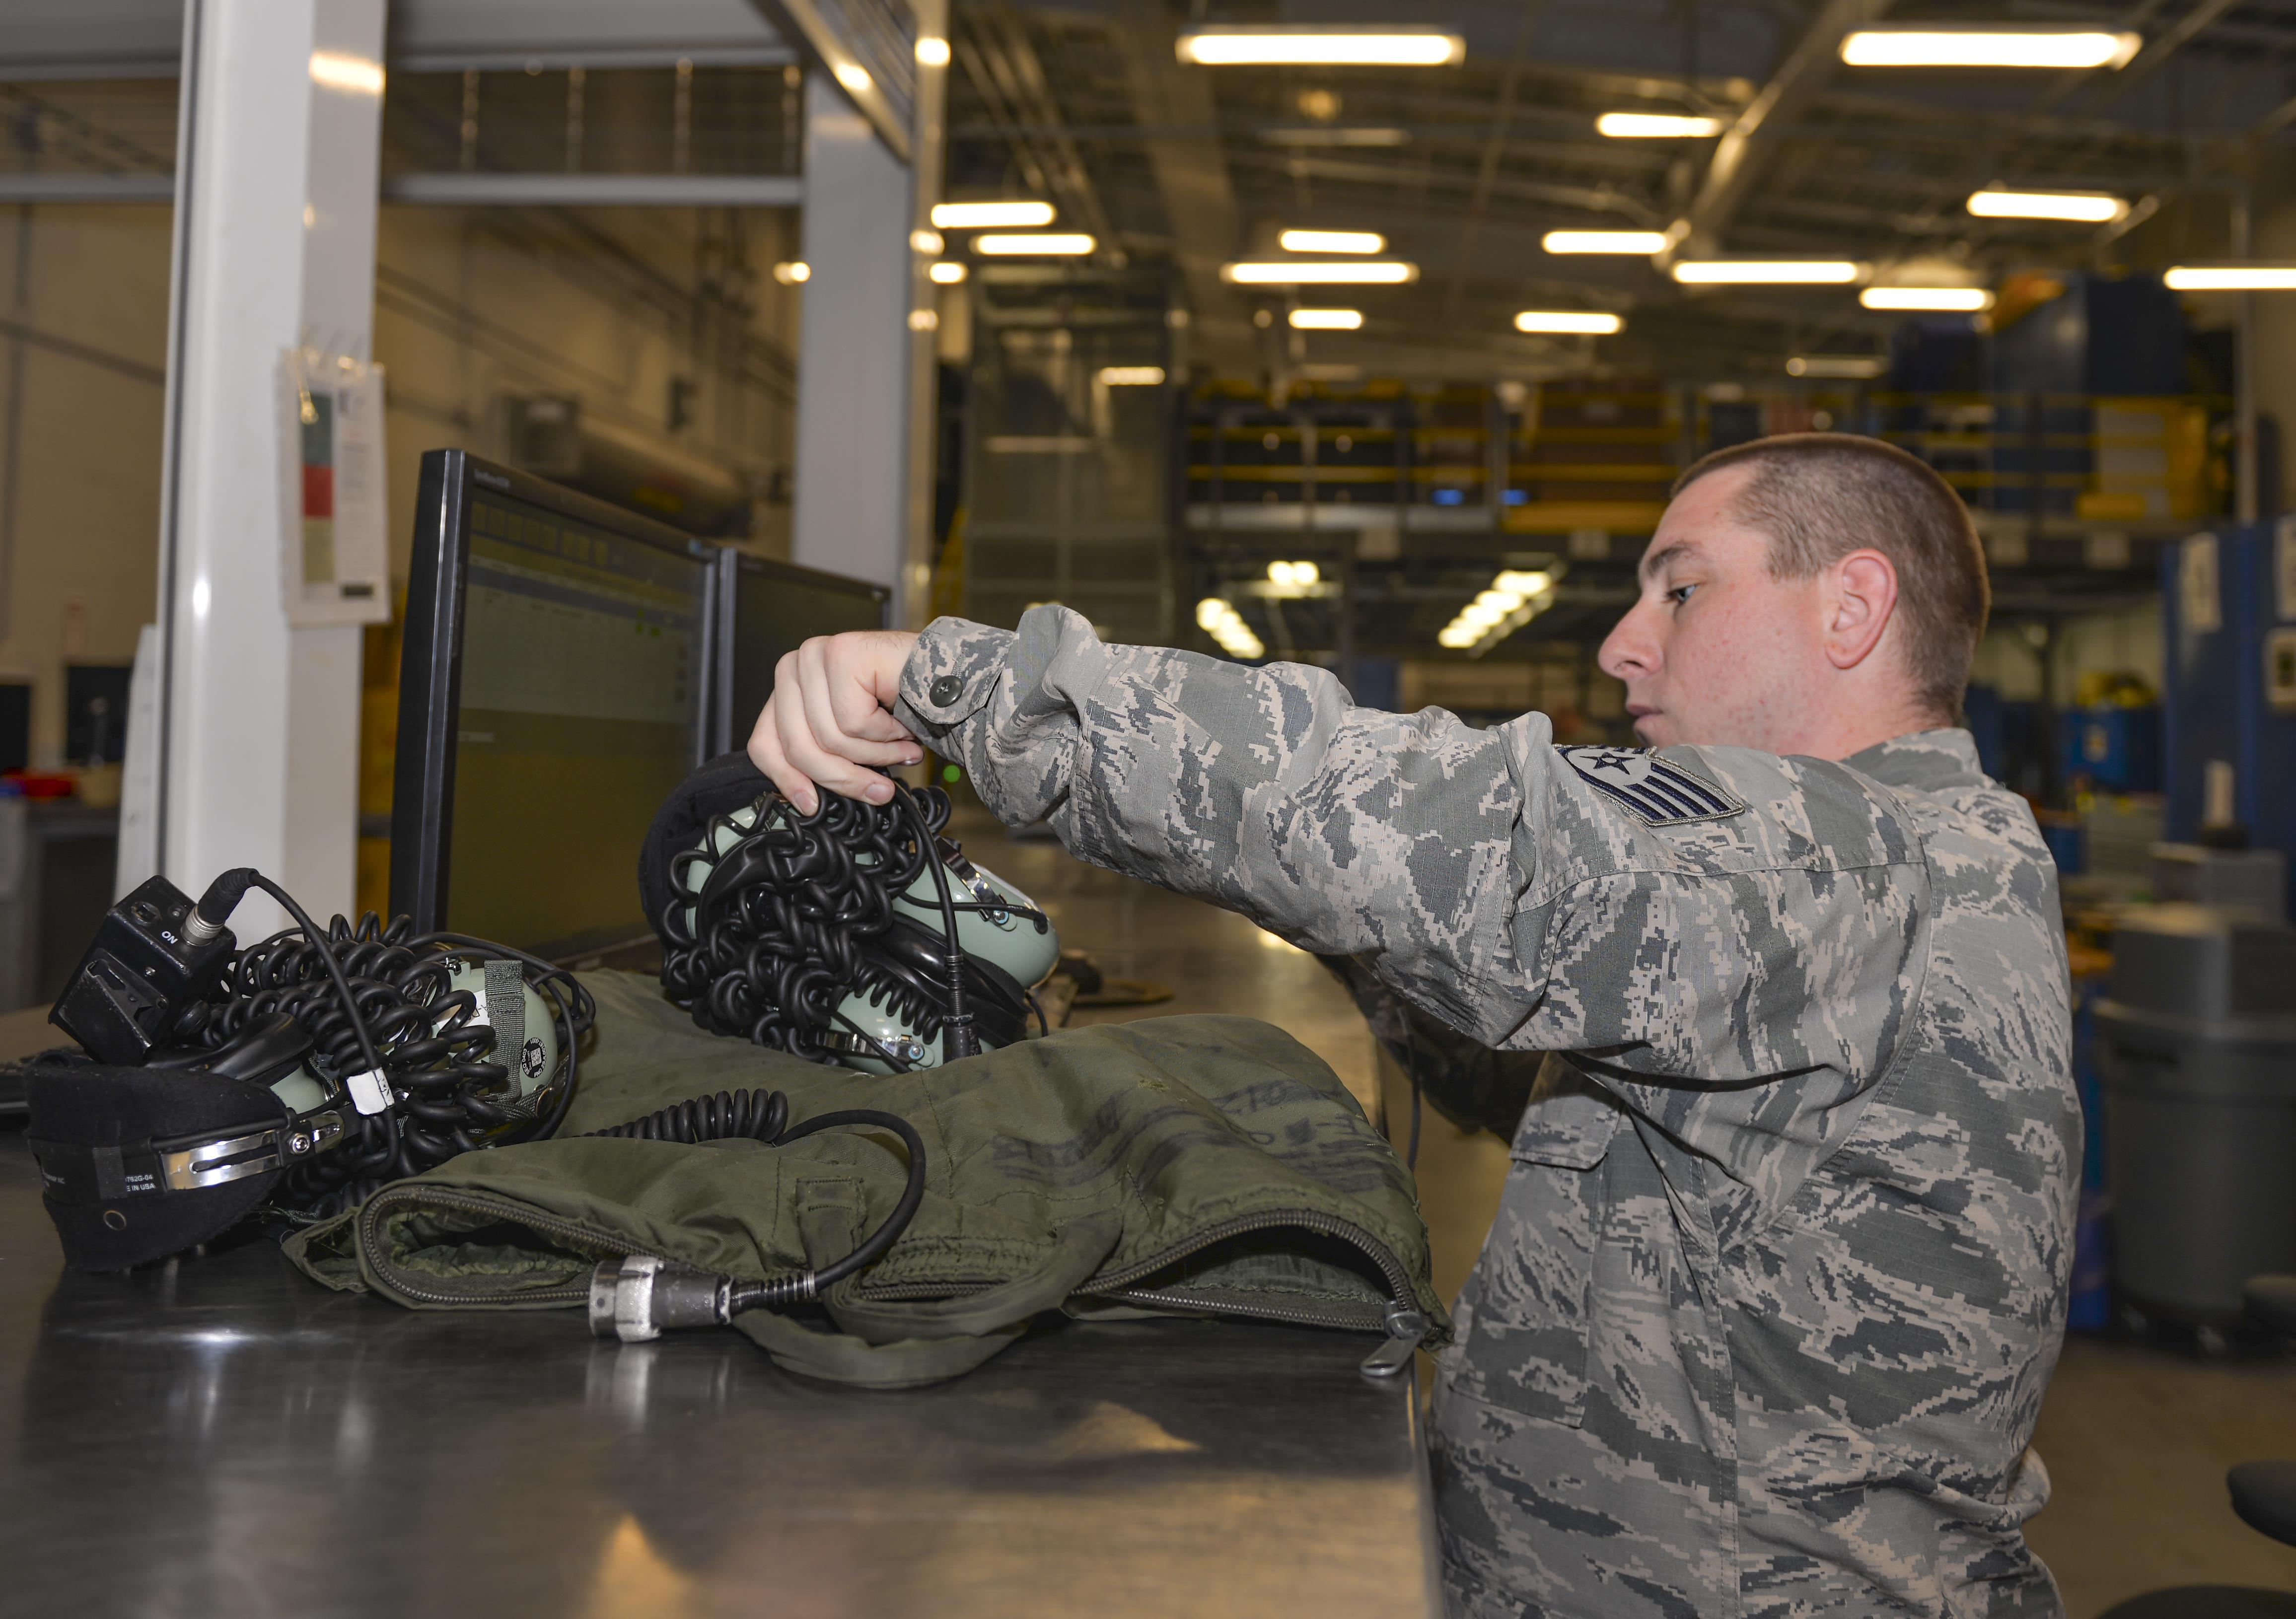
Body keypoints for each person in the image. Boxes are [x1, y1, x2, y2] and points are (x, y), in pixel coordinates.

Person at [748, 432, 2078, 1619]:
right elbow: (1548, 1073)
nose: (1626, 640)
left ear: (1853, 606)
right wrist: (1349, 910)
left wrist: (971, 685)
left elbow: (1487, 845)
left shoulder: (1847, 853)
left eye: (1680, 587)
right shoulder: (1922, 858)